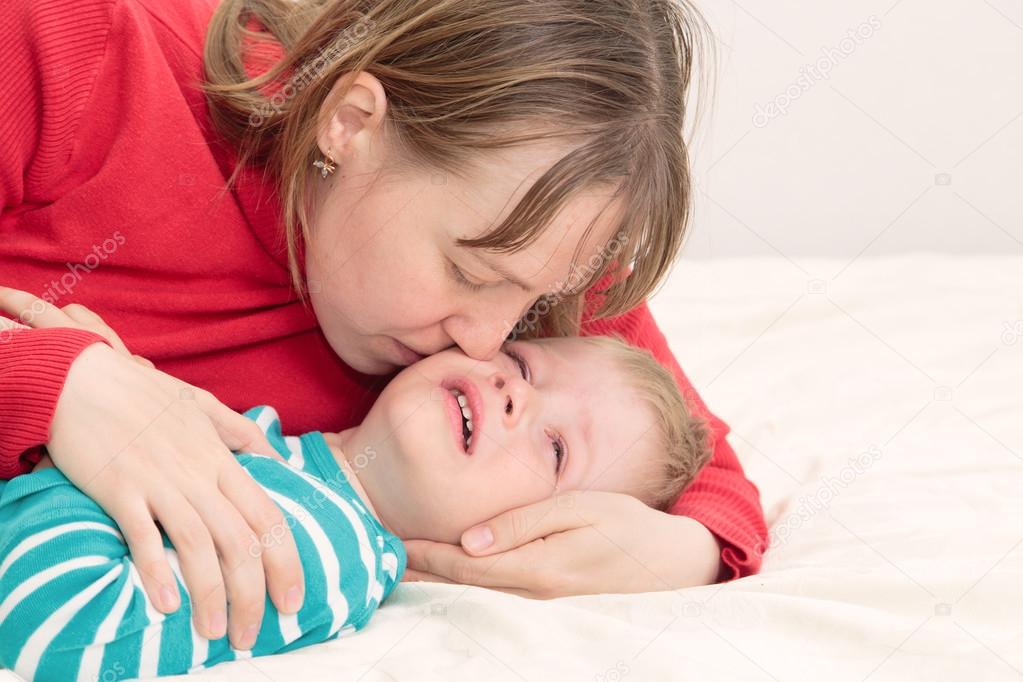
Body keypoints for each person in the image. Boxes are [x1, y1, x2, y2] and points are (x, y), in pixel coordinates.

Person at [0, 0, 768, 652]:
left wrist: (678, 553)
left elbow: (692, 461)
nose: (487, 342)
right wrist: (57, 380)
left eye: (531, 309)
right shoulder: (77, 46)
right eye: (469, 274)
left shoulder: (539, 257)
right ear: (349, 122)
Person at [0, 336, 712, 681]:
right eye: (523, 362)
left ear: (529, 539)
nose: (512, 391)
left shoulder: (326, 555)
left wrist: (68, 457)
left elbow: (55, 631)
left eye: (555, 448)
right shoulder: (283, 449)